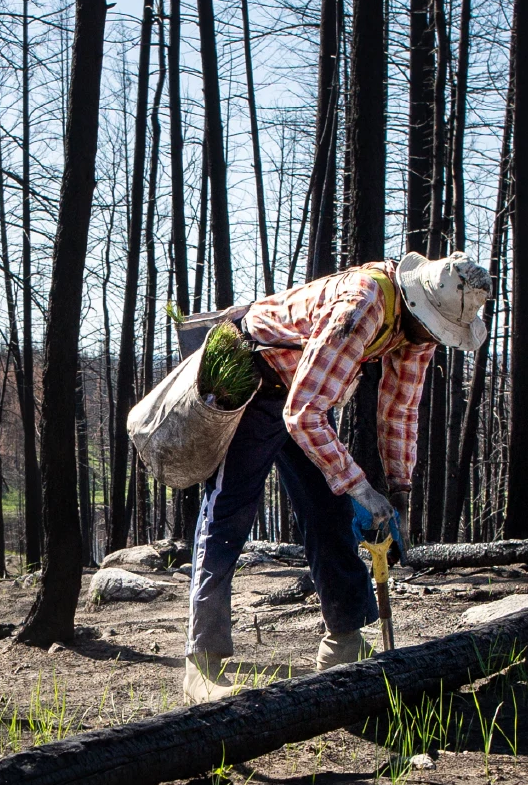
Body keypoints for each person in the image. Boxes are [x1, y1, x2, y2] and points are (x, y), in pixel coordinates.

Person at [183, 250, 491, 702]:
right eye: (431, 328)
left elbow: (400, 410)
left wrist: (398, 492)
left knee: (329, 510)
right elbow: (304, 414)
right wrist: (362, 488)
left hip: (303, 395)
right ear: (416, 303)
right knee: (229, 511)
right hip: (256, 378)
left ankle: (343, 641)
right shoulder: (363, 304)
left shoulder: (419, 328)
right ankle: (201, 662)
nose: (431, 337)